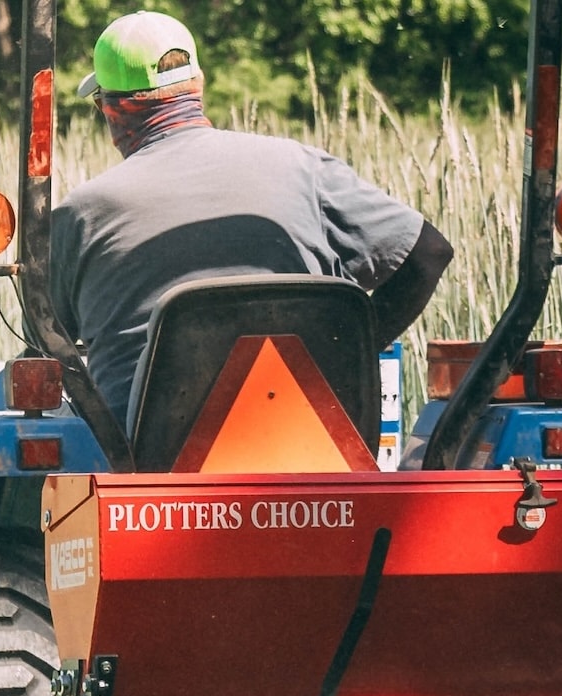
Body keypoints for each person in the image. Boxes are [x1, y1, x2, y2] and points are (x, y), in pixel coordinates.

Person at [50, 10, 454, 426]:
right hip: (310, 447)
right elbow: (429, 253)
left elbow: (46, 342)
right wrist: (341, 361)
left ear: (112, 111)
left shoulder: (81, 212)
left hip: (145, 470)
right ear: (198, 85)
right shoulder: (303, 167)